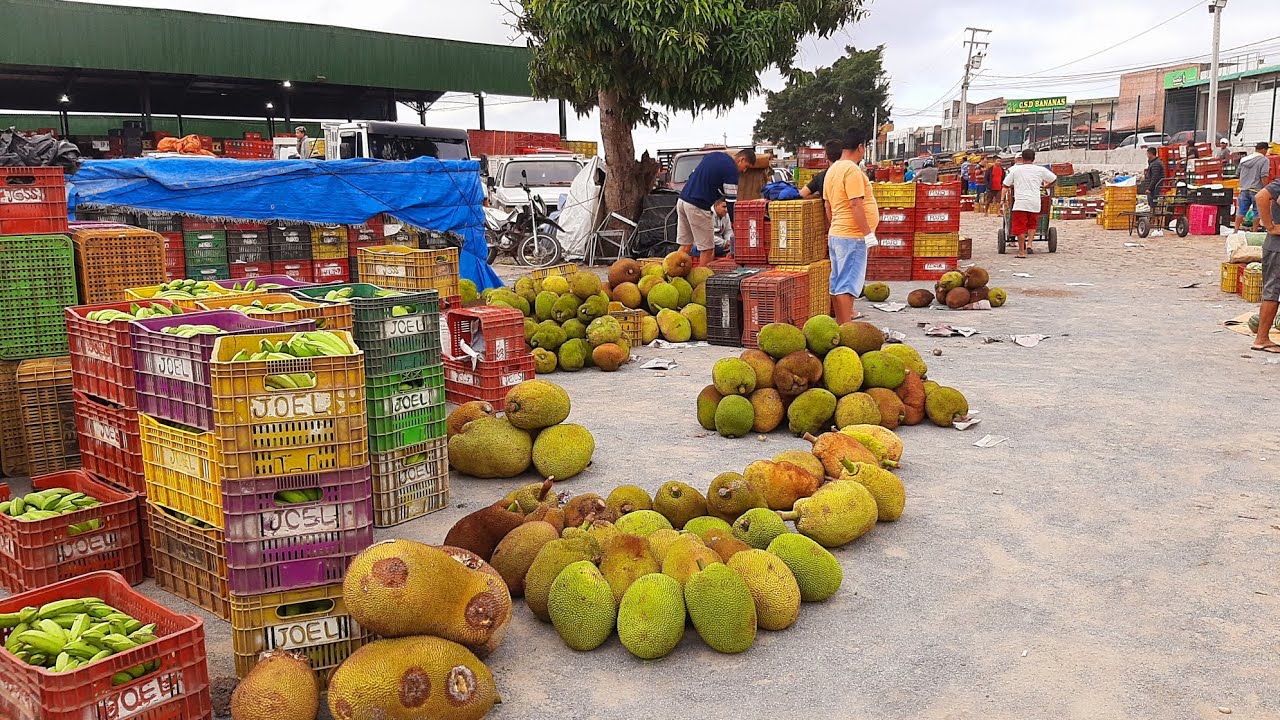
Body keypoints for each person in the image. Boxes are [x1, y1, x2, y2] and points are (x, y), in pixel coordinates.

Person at [822, 127, 879, 323]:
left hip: (837, 233)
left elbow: (827, 206)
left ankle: (841, 325)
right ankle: (846, 329)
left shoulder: (832, 170)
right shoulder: (852, 170)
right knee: (847, 284)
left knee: (838, 282)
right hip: (852, 236)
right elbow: (855, 204)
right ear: (861, 147)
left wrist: (835, 227)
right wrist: (868, 235)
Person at [676, 148, 755, 268]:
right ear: (741, 159)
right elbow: (731, 202)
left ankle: (671, 273)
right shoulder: (731, 171)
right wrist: (737, 225)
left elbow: (693, 175)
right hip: (698, 206)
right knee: (707, 249)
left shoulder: (714, 156)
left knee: (686, 245)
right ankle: (702, 283)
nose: (744, 171)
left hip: (682, 201)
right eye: (746, 166)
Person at [1001, 149, 1057, 258]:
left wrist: (1002, 200)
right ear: (1034, 158)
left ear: (1022, 158)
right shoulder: (1040, 170)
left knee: (1020, 228)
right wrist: (1047, 186)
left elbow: (1005, 185)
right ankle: (1030, 244)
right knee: (1032, 224)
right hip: (1035, 202)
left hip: (1020, 203)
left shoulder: (1015, 170)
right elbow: (1054, 179)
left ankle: (1022, 252)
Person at [1250, 178, 1280, 352]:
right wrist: (1270, 226)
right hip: (1277, 247)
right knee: (1273, 292)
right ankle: (1261, 339)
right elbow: (1261, 196)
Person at [1235, 142, 1271, 232]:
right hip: (1256, 189)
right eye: (1266, 150)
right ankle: (1254, 231)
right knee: (1257, 211)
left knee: (1241, 210)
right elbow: (1264, 176)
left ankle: (1235, 230)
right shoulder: (1264, 160)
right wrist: (1266, 189)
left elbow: (1237, 174)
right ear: (1263, 149)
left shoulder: (1244, 159)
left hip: (1243, 189)